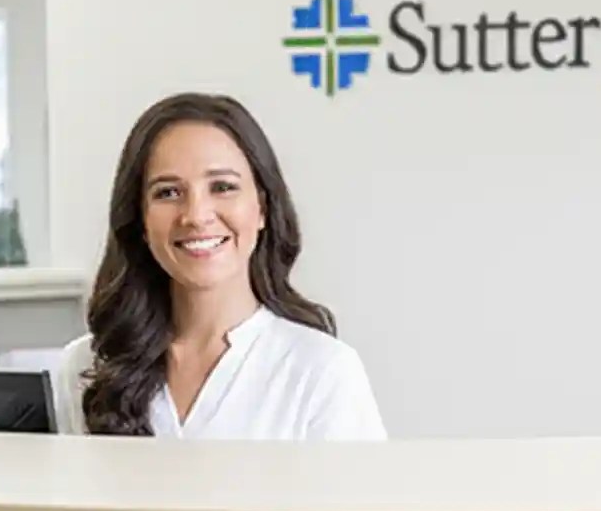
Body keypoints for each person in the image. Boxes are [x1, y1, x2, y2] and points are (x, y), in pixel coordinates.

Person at [51, 92, 386, 440]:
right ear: (140, 220)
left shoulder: (321, 370)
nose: (196, 216)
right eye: (168, 192)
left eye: (223, 187)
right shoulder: (85, 368)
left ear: (262, 208)